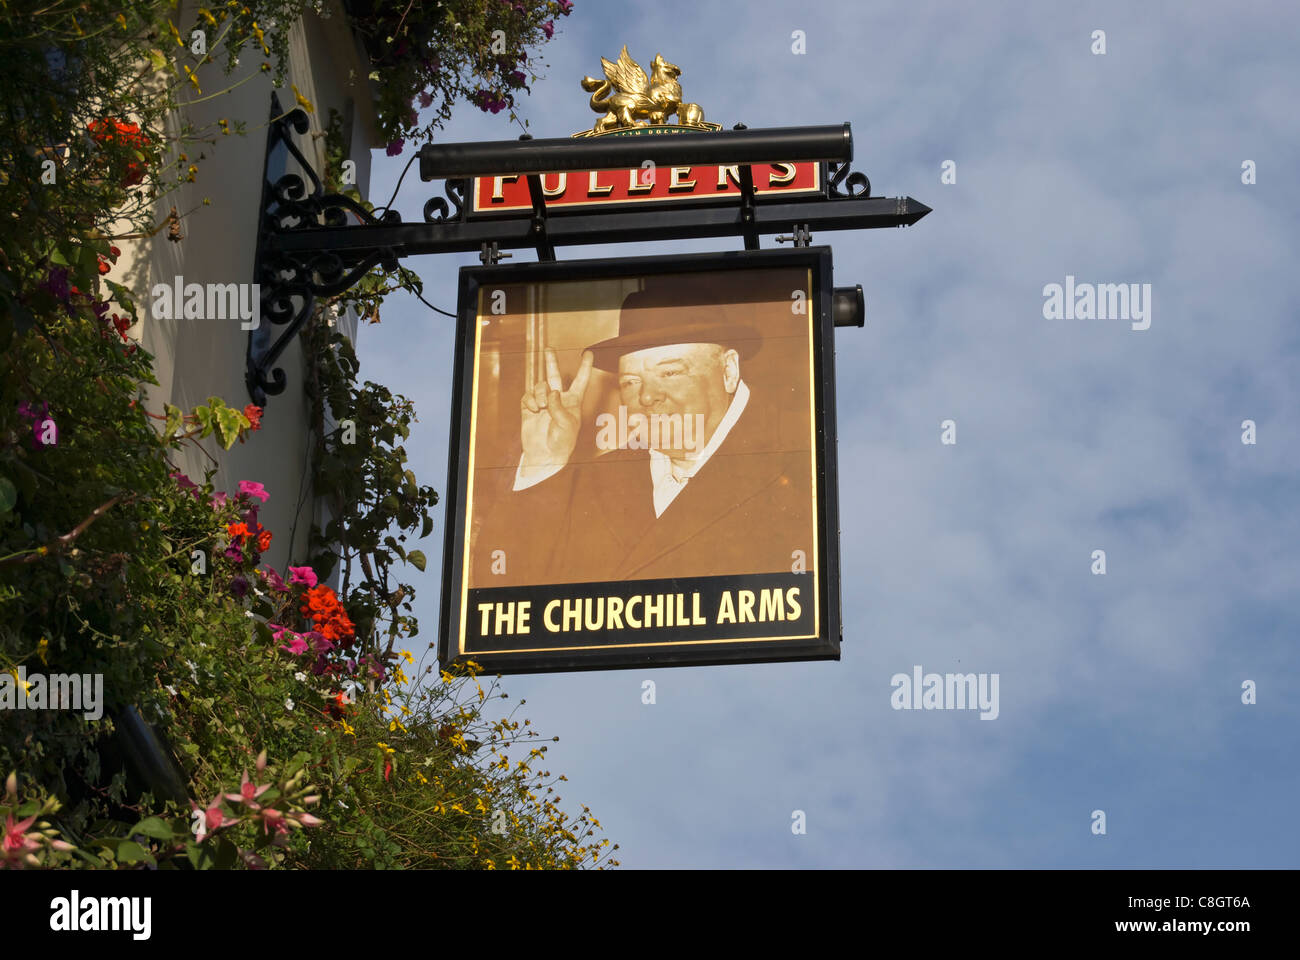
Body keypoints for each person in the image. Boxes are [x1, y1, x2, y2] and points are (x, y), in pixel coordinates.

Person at [471, 280, 814, 587]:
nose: (647, 397)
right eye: (630, 382)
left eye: (669, 373)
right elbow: (495, 601)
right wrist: (542, 464)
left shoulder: (800, 466)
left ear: (728, 370)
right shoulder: (601, 480)